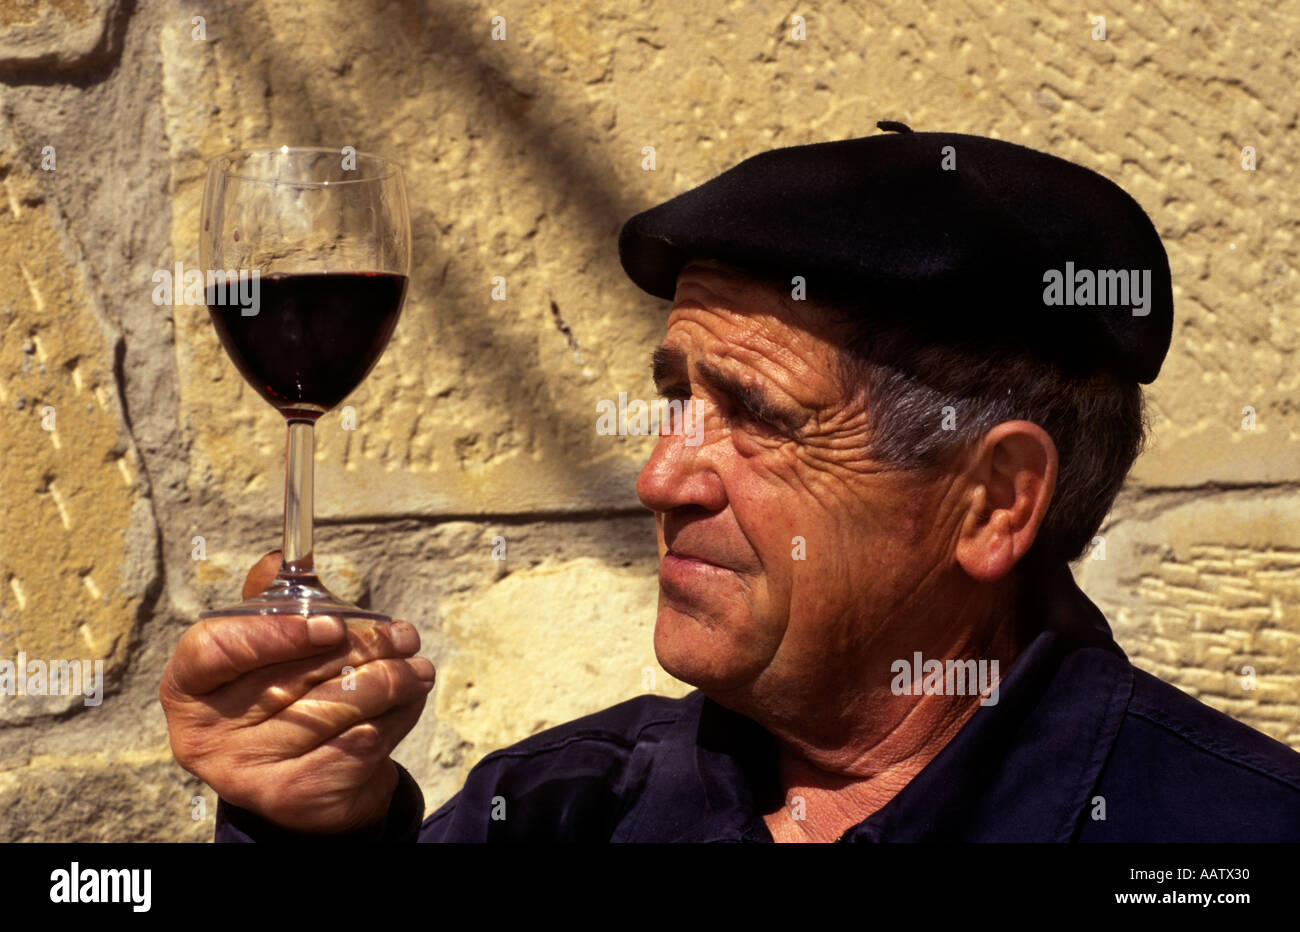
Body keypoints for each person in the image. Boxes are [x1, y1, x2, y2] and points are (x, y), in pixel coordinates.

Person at [161, 124, 1300, 842]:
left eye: (756, 415)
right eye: (675, 397)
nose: (662, 476)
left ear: (992, 499)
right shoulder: (559, 808)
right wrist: (311, 830)